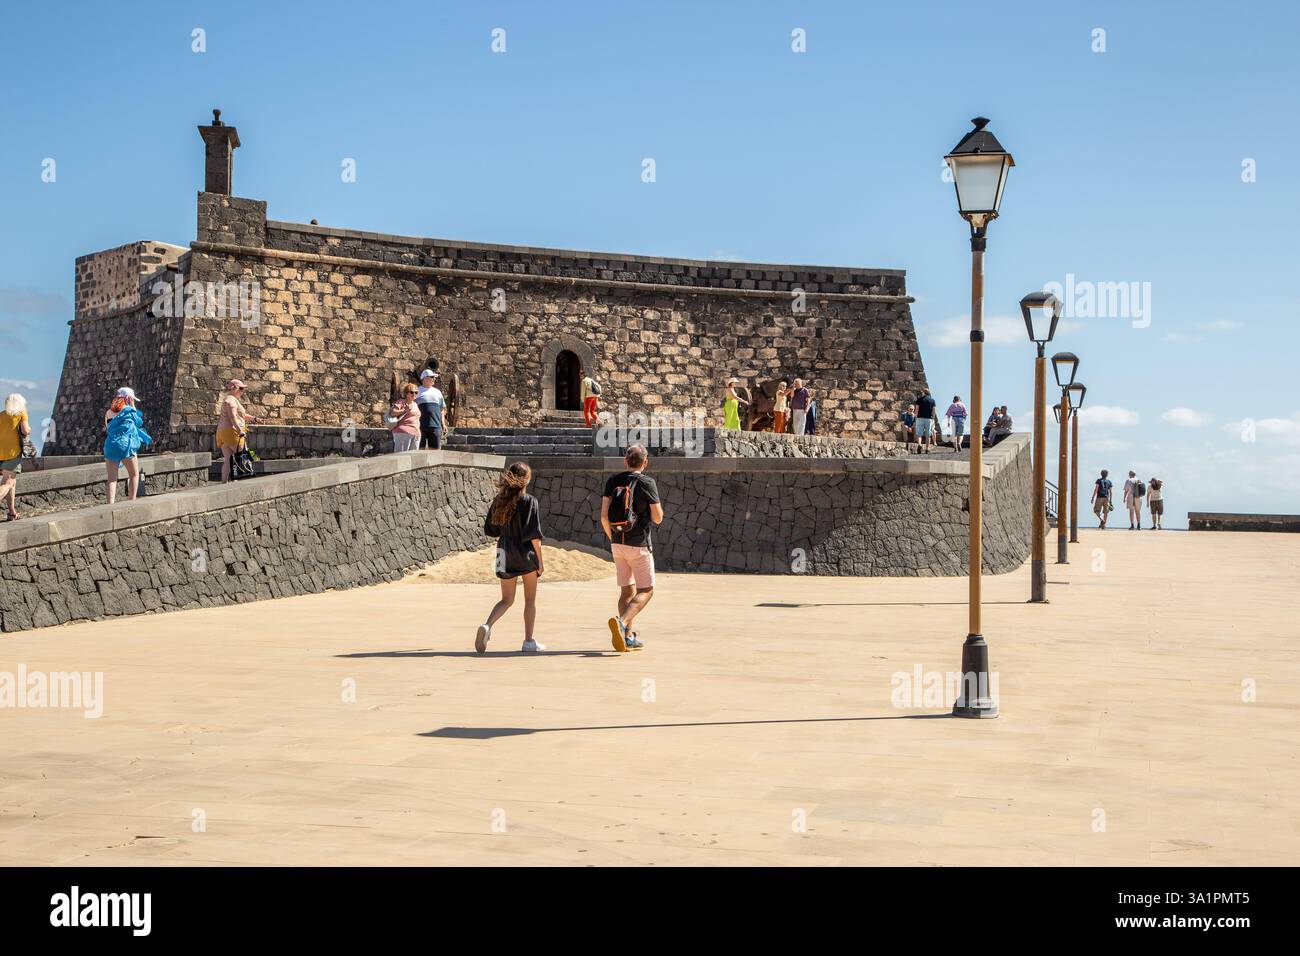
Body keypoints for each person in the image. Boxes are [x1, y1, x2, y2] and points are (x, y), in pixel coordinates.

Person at [476, 462, 546, 654]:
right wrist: (540, 562)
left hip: (503, 552)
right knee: (530, 600)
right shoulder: (529, 501)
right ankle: (528, 640)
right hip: (525, 553)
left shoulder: (499, 500)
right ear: (527, 480)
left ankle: (487, 625)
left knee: (506, 600)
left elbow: (490, 529)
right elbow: (534, 536)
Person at [600, 443, 663, 653]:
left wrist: (613, 537)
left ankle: (627, 637)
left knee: (627, 590)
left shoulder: (613, 480)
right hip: (640, 545)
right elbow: (658, 517)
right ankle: (622, 622)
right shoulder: (647, 483)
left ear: (626, 461)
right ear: (645, 462)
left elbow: (603, 516)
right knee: (646, 590)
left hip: (618, 543)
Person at [104, 387, 153, 504]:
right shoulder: (129, 410)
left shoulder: (108, 412)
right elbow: (139, 422)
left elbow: (108, 428)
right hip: (126, 447)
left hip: (110, 446)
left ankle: (110, 505)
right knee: (134, 475)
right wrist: (133, 407)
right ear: (128, 398)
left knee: (112, 479)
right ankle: (131, 502)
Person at [216, 379, 259, 482]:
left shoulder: (229, 399)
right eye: (241, 389)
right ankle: (238, 481)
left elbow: (242, 415)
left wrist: (255, 419)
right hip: (232, 432)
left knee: (228, 459)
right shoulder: (231, 401)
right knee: (242, 456)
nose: (242, 391)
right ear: (234, 388)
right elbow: (233, 417)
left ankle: (225, 482)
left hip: (222, 432)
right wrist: (240, 430)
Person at [1, 393, 32, 521]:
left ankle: (12, 512)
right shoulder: (21, 414)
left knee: (12, 483)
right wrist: (29, 430)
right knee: (7, 483)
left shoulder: (1, 415)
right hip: (12, 452)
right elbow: (25, 430)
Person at [416, 369, 446, 449]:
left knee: (435, 452)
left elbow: (442, 409)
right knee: (419, 450)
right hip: (420, 426)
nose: (434, 379)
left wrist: (443, 423)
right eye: (432, 377)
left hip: (435, 425)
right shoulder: (417, 391)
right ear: (425, 378)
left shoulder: (438, 392)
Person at [386, 383, 420, 452]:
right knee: (401, 457)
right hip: (403, 432)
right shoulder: (401, 402)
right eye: (411, 392)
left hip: (415, 433)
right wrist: (404, 410)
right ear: (406, 393)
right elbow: (392, 413)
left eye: (416, 392)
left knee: (413, 458)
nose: (414, 394)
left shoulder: (415, 404)